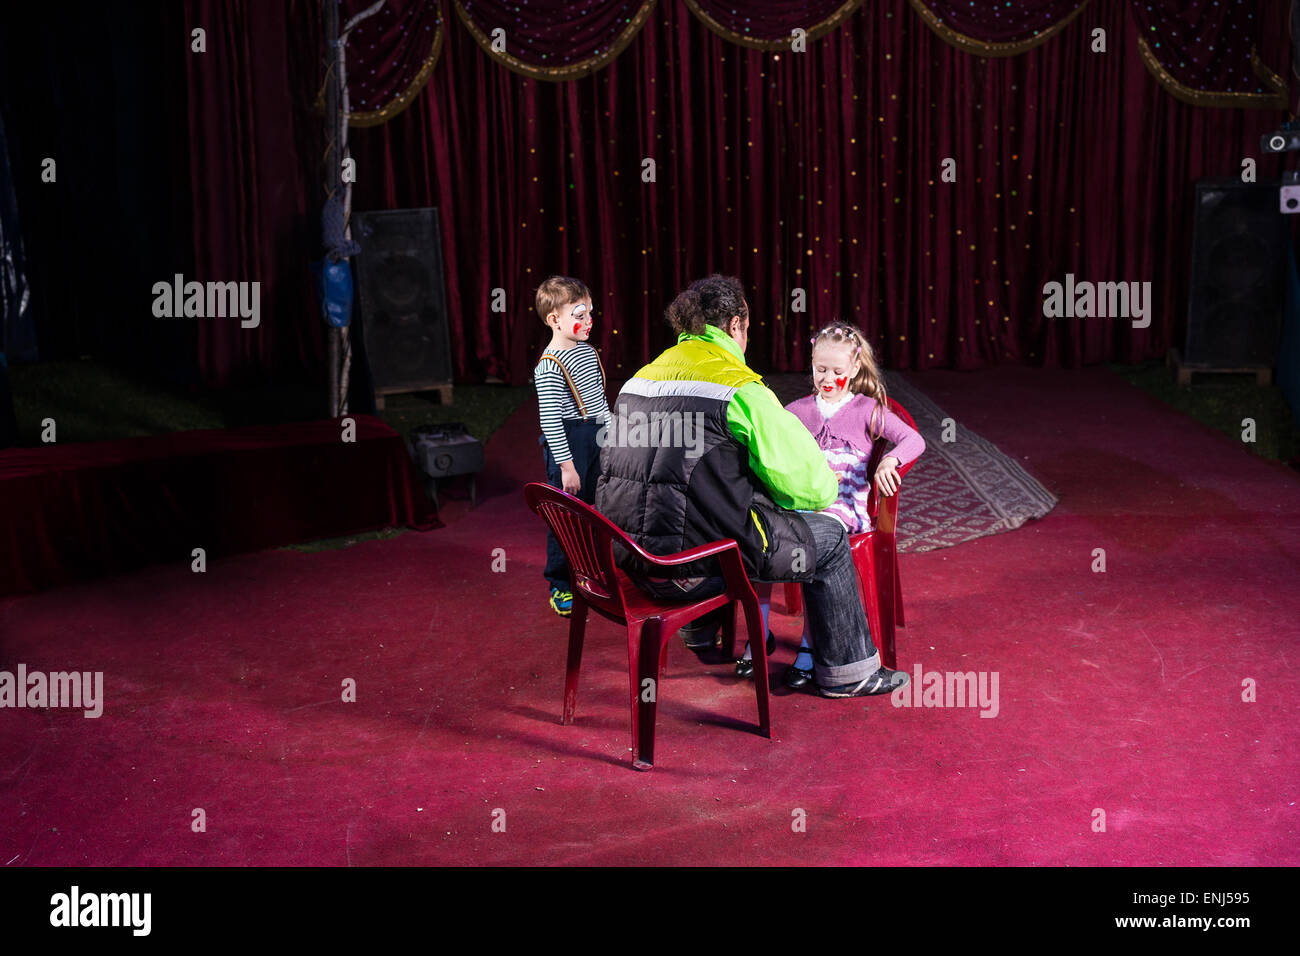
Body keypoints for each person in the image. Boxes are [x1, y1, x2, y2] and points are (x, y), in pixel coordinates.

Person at [594, 275, 909, 698]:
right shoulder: (740, 388)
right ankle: (849, 675)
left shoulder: (639, 379)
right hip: (699, 572)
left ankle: (699, 630)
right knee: (830, 538)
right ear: (735, 325)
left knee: (690, 502)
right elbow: (815, 490)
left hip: (630, 564)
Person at [775, 321, 926, 689]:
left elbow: (913, 440)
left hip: (844, 509)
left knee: (814, 540)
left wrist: (890, 460)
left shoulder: (866, 409)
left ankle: (809, 648)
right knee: (769, 525)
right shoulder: (797, 410)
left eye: (837, 371)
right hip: (806, 502)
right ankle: (761, 638)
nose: (827, 378)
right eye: (820, 369)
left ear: (855, 368)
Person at [534, 276, 610, 617]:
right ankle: (560, 583)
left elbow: (599, 403)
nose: (589, 320)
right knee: (565, 515)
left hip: (595, 436)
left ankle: (593, 571)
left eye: (590, 312)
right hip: (568, 443)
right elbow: (551, 422)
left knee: (597, 509)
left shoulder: (588, 353)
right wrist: (567, 467)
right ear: (554, 319)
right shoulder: (550, 366)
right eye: (580, 314)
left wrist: (612, 438)